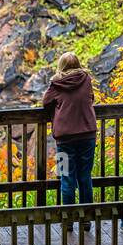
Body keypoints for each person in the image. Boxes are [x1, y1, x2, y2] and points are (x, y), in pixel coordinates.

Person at [43, 52, 97, 229]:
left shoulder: (55, 84)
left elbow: (46, 103)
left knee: (66, 178)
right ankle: (86, 219)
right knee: (84, 177)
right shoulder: (86, 79)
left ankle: (67, 220)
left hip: (64, 140)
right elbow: (92, 98)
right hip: (87, 136)